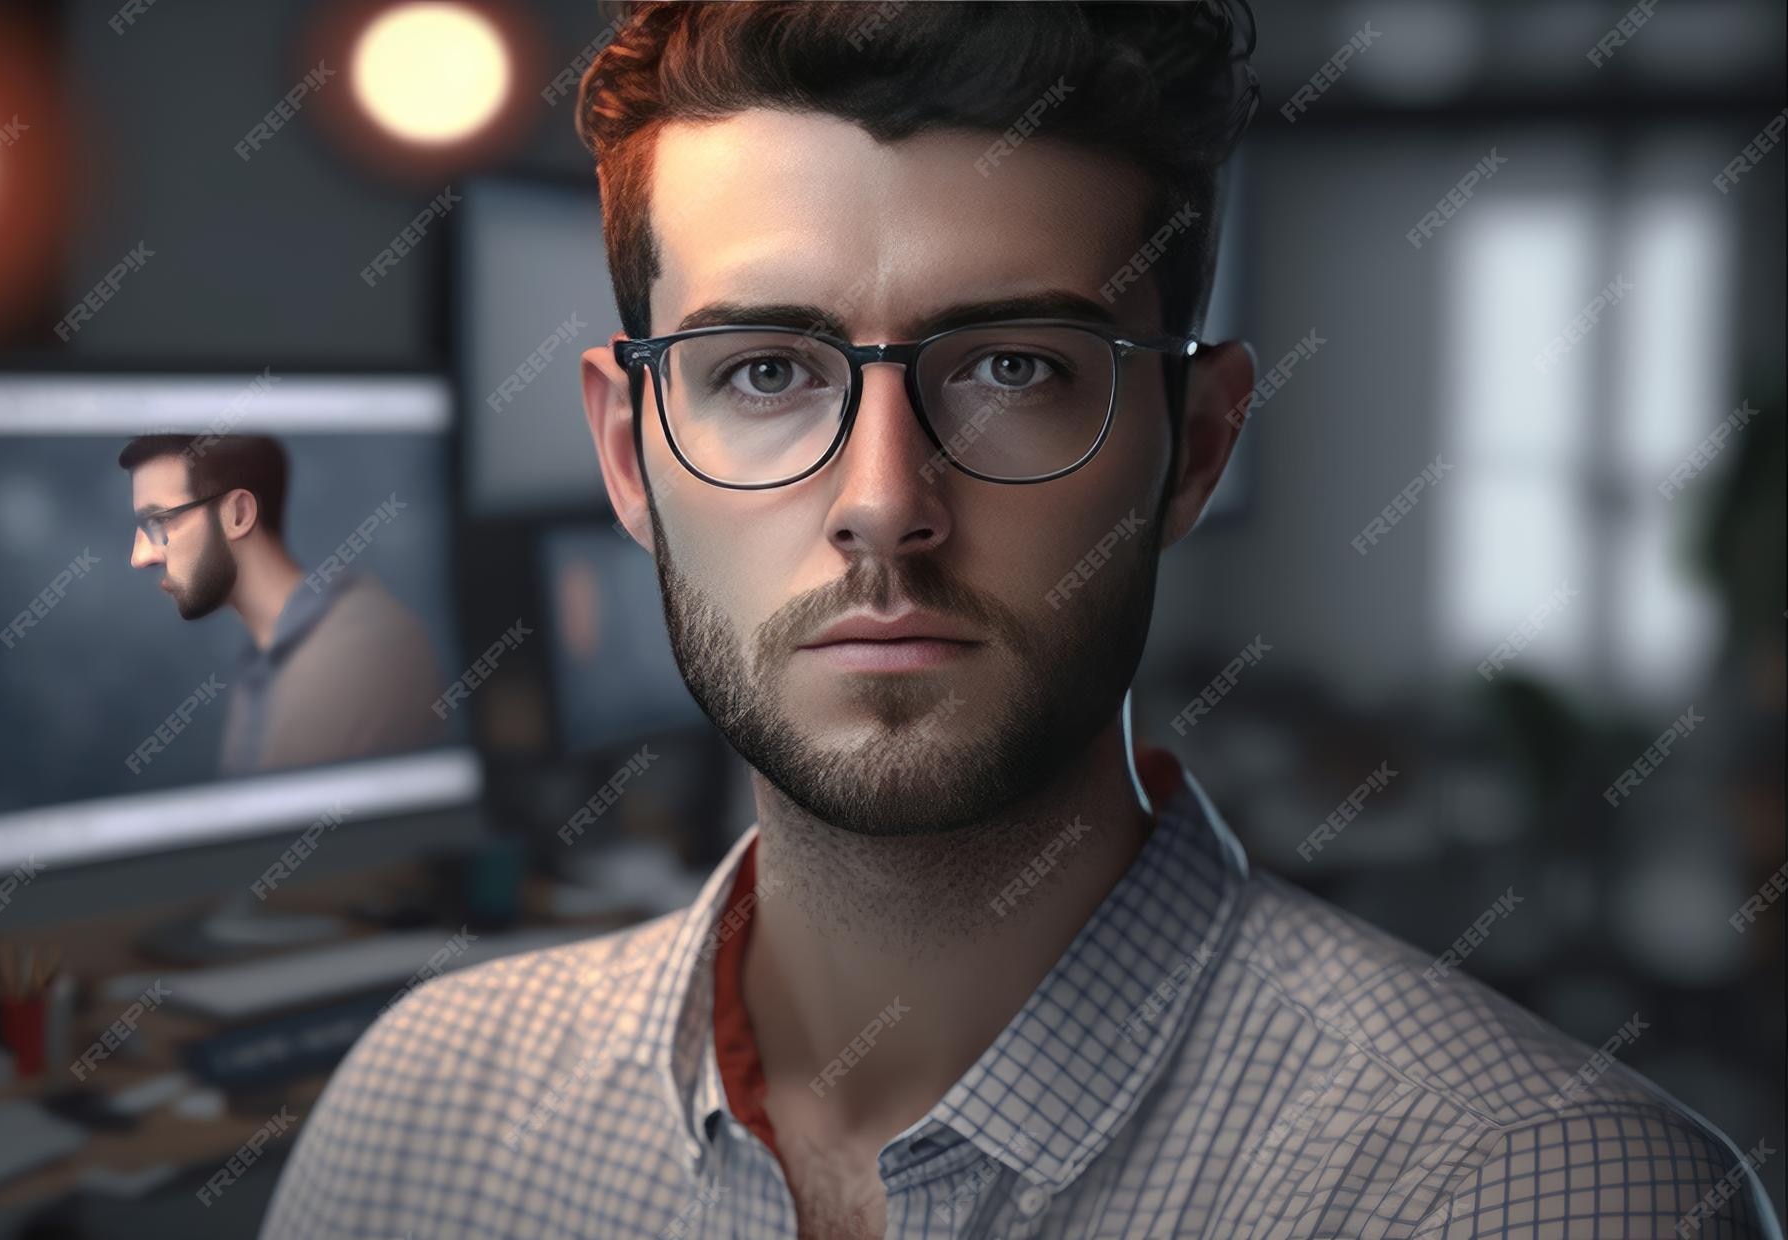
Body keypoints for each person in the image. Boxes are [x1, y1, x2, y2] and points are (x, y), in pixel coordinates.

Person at [262, 4, 1778, 1237]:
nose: (881, 500)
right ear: (625, 452)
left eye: (1010, 367)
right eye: (768, 372)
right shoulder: (417, 1122)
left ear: (1192, 444)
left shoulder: (1550, 1201)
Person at [119, 433, 445, 776]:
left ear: (238, 514)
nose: (139, 557)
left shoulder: (362, 658)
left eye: (158, 523)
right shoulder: (264, 666)